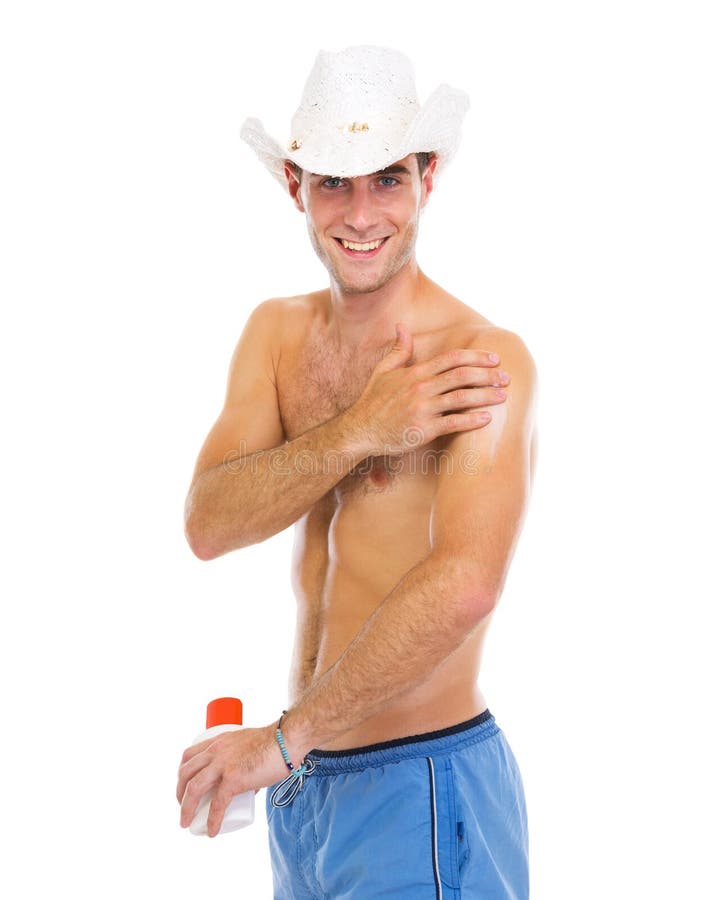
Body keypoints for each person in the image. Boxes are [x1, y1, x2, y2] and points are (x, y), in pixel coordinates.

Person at [176, 44, 537, 899]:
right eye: (334, 182)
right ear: (295, 186)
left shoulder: (480, 360)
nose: (361, 211)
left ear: (427, 178)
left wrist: (280, 741)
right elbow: (208, 524)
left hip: (421, 783)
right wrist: (358, 432)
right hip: (300, 793)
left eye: (386, 179)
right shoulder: (275, 335)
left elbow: (466, 586)